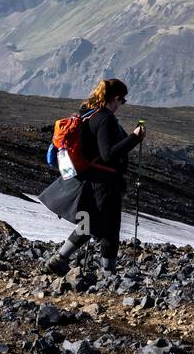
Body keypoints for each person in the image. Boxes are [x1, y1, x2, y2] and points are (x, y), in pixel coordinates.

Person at [42, 77, 145, 276]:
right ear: (115, 98)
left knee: (89, 223)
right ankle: (108, 274)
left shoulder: (88, 114)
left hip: (92, 179)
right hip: (104, 182)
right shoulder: (104, 118)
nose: (121, 105)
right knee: (110, 227)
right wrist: (134, 138)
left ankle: (59, 260)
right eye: (122, 101)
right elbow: (108, 154)